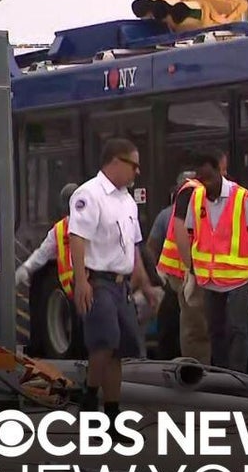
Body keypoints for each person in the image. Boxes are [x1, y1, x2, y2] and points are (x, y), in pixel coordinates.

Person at [68, 138, 159, 441]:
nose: (137, 171)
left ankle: (112, 416)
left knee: (120, 350)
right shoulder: (88, 195)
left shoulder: (127, 200)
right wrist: (81, 281)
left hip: (121, 284)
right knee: (104, 342)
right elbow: (77, 238)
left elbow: (134, 247)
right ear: (115, 162)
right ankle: (89, 397)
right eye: (133, 165)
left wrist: (145, 284)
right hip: (99, 281)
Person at [173, 150, 248, 375]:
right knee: (214, 330)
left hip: (238, 278)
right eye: (201, 179)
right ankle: (220, 375)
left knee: (237, 329)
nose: (205, 184)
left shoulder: (241, 197)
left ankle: (237, 377)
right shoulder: (196, 197)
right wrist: (190, 273)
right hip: (209, 279)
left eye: (209, 178)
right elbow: (192, 235)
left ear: (220, 172)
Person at [150, 170, 211, 363]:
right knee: (193, 328)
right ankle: (194, 372)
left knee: (175, 326)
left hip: (175, 276)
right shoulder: (192, 205)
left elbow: (152, 246)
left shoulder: (166, 213)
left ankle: (171, 364)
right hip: (186, 275)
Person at [15, 183, 79, 293]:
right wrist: (26, 268)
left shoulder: (94, 225)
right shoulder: (59, 230)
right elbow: (42, 253)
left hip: (93, 290)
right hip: (71, 294)